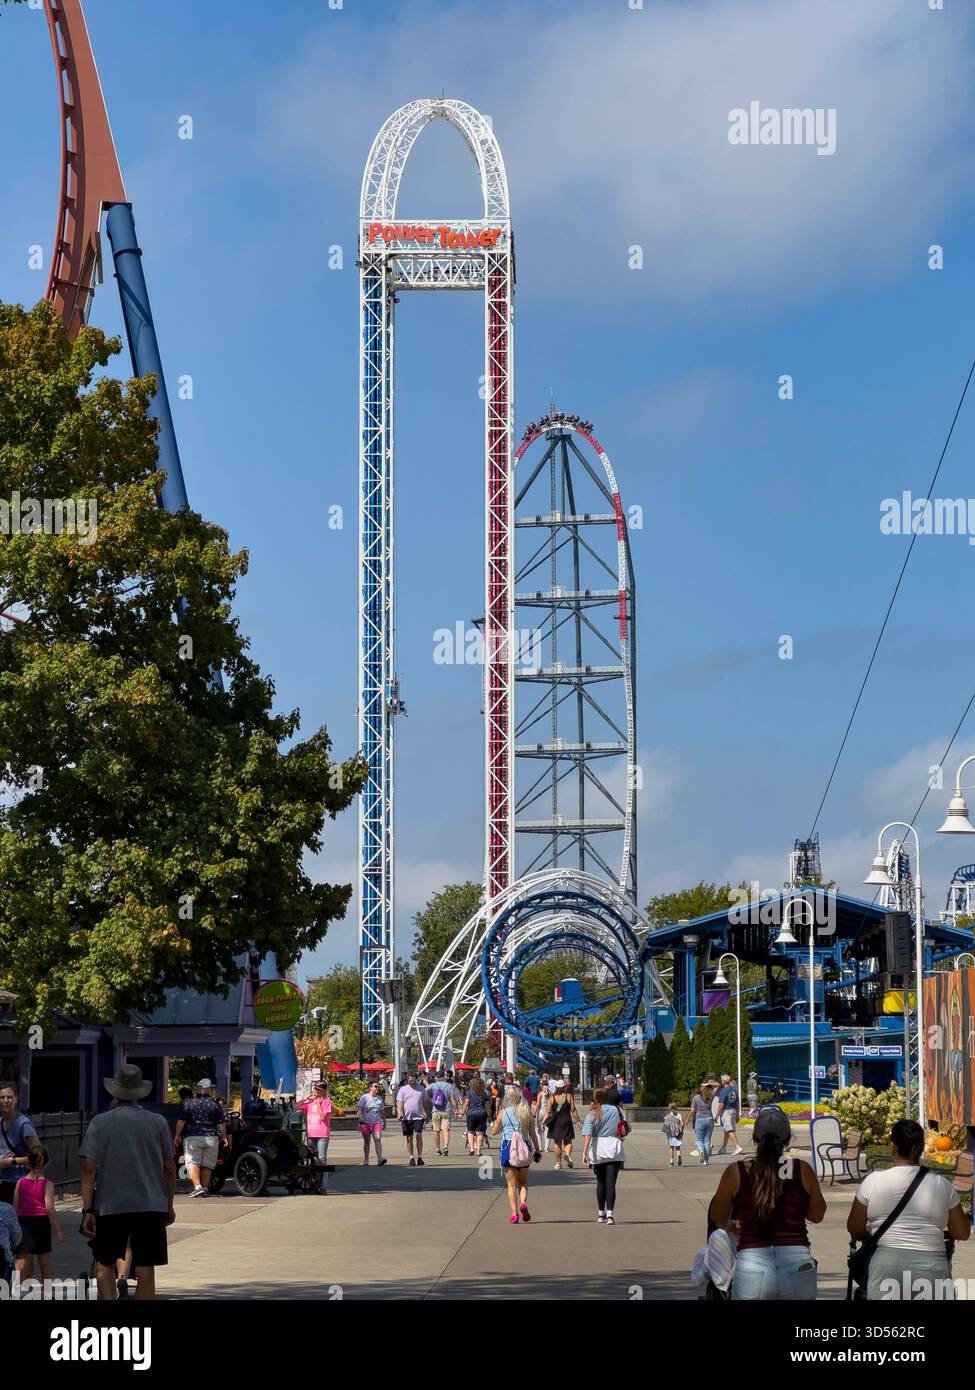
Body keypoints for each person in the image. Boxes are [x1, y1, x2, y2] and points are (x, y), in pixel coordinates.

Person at [79, 1064, 177, 1301]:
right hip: (150, 1204)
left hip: (110, 1205)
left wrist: (87, 1209)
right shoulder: (157, 1122)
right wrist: (169, 1204)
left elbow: (88, 1168)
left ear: (115, 1092)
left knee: (104, 1265)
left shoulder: (100, 1123)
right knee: (145, 1268)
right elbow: (170, 1168)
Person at [709, 1106, 826, 1300]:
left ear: (755, 1138)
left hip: (752, 1263)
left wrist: (732, 1224)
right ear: (788, 1139)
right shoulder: (802, 1170)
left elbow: (718, 1217)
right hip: (797, 1262)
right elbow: (817, 1215)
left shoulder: (736, 1172)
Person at [847, 1119, 971, 1300]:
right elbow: (962, 1232)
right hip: (932, 1268)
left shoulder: (873, 1181)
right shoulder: (942, 1185)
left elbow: (855, 1227)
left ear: (893, 1146)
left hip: (886, 1267)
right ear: (921, 1148)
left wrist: (872, 1236)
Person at [13, 1145, 64, 1283]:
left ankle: (18, 1289)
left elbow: (15, 1207)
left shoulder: (20, 1182)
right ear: (46, 1162)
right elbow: (49, 1208)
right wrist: (58, 1229)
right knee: (44, 1260)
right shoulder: (48, 1184)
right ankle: (47, 1291)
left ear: (28, 1161)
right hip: (41, 1223)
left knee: (21, 1259)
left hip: (24, 1222)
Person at [490, 1084, 540, 1224]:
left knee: (511, 1185)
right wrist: (537, 1149)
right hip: (524, 1148)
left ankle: (514, 1213)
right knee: (523, 1182)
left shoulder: (503, 1112)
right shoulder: (526, 1112)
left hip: (508, 1148)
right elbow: (532, 1134)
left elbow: (493, 1131)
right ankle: (523, 1202)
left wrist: (503, 1128)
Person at [173, 1077, 227, 1198]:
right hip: (211, 1137)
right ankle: (206, 1188)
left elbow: (181, 1121)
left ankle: (198, 1187)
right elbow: (221, 1123)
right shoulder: (215, 1104)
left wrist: (177, 1135)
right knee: (207, 1164)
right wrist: (224, 1137)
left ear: (199, 1089)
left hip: (192, 1137)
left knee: (193, 1162)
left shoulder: (189, 1103)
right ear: (209, 1090)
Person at [582, 1087, 627, 1224]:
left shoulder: (592, 1114)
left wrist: (584, 1153)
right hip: (614, 1147)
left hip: (598, 1148)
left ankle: (601, 1213)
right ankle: (610, 1215)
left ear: (595, 1099)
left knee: (600, 1182)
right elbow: (626, 1128)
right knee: (611, 1183)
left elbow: (588, 1135)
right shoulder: (618, 1111)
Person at [0, 1083, 41, 1207]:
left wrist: (9, 1161)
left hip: (18, 1185)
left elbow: (39, 1157)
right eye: (2, 1097)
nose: (5, 1101)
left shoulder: (23, 1125)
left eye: (9, 1097)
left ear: (16, 1099)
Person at [298, 1080, 333, 1192]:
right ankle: (314, 1184)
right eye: (315, 1089)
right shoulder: (309, 1103)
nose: (316, 1092)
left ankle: (323, 1186)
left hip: (322, 1134)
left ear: (323, 1091)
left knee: (322, 1159)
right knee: (312, 1159)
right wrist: (306, 1098)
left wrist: (318, 1104)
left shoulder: (326, 1101)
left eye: (318, 1090)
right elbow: (296, 1107)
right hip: (311, 1134)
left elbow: (323, 1117)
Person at [540, 1084, 581, 1169]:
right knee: (568, 1141)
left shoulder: (552, 1098)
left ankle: (559, 1163)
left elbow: (548, 1112)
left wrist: (543, 1122)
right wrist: (578, 1121)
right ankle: (567, 1155)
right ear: (564, 1088)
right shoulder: (569, 1096)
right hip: (566, 1121)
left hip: (556, 1123)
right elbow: (573, 1110)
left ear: (555, 1088)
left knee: (557, 1143)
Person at [425, 1071, 461, 1157]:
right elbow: (453, 1098)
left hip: (435, 1110)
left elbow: (425, 1095)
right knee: (446, 1130)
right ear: (444, 1076)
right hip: (447, 1110)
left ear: (436, 1077)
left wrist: (432, 1101)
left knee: (436, 1130)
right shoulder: (449, 1086)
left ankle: (437, 1149)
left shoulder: (432, 1086)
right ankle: (445, 1147)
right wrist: (456, 1110)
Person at [396, 1072, 426, 1166]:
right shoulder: (403, 1090)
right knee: (409, 1138)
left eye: (413, 1080)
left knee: (419, 1134)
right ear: (407, 1080)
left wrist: (426, 1113)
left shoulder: (421, 1089)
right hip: (406, 1117)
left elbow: (424, 1102)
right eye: (410, 1080)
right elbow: (400, 1102)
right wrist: (400, 1113)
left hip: (419, 1116)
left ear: (417, 1079)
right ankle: (411, 1157)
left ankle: (420, 1157)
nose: (412, 1082)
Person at [357, 1081, 388, 1165]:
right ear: (370, 1088)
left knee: (377, 1139)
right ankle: (366, 1159)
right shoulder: (364, 1097)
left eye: (378, 1087)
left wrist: (384, 1121)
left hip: (376, 1122)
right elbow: (360, 1110)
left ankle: (380, 1159)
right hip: (365, 1122)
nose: (377, 1088)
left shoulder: (379, 1099)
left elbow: (382, 1111)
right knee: (367, 1142)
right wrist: (359, 1122)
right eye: (375, 1087)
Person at [687, 1082, 716, 1166]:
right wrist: (709, 1083)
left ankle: (701, 1150)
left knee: (699, 1139)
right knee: (707, 1140)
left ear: (701, 1089)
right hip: (710, 1119)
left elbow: (692, 1110)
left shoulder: (696, 1098)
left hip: (699, 1120)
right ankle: (706, 1161)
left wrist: (687, 1120)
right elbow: (718, 1085)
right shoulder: (710, 1097)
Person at [715, 1074, 744, 1157]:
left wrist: (717, 1115)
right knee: (727, 1130)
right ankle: (723, 1148)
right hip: (733, 1110)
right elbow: (738, 1103)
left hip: (727, 1112)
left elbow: (721, 1104)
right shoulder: (734, 1090)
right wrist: (738, 1114)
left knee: (729, 1130)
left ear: (723, 1081)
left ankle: (737, 1147)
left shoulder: (724, 1091)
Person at [462, 1076, 490, 1159]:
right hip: (482, 1113)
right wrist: (489, 1115)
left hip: (471, 1113)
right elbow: (487, 1105)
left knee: (470, 1132)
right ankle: (478, 1151)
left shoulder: (469, 1093)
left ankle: (471, 1148)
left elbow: (466, 1104)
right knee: (480, 1133)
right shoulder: (485, 1093)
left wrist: (462, 1113)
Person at [662, 1102, 684, 1167]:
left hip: (671, 1133)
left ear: (670, 1109)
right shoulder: (679, 1115)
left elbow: (666, 1125)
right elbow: (682, 1124)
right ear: (676, 1108)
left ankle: (671, 1161)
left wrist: (667, 1133)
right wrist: (682, 1131)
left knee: (671, 1147)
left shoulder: (668, 1116)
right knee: (678, 1147)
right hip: (677, 1133)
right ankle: (678, 1155)